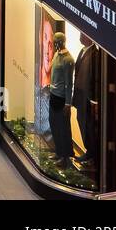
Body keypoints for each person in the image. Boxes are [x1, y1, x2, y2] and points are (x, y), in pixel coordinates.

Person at [48, 32, 76, 164]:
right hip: (53, 95)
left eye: (56, 41)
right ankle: (58, 151)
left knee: (63, 128)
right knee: (54, 125)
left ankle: (65, 156)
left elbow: (69, 83)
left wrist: (68, 104)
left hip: (61, 98)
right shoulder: (56, 55)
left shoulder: (68, 60)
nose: (54, 43)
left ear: (61, 42)